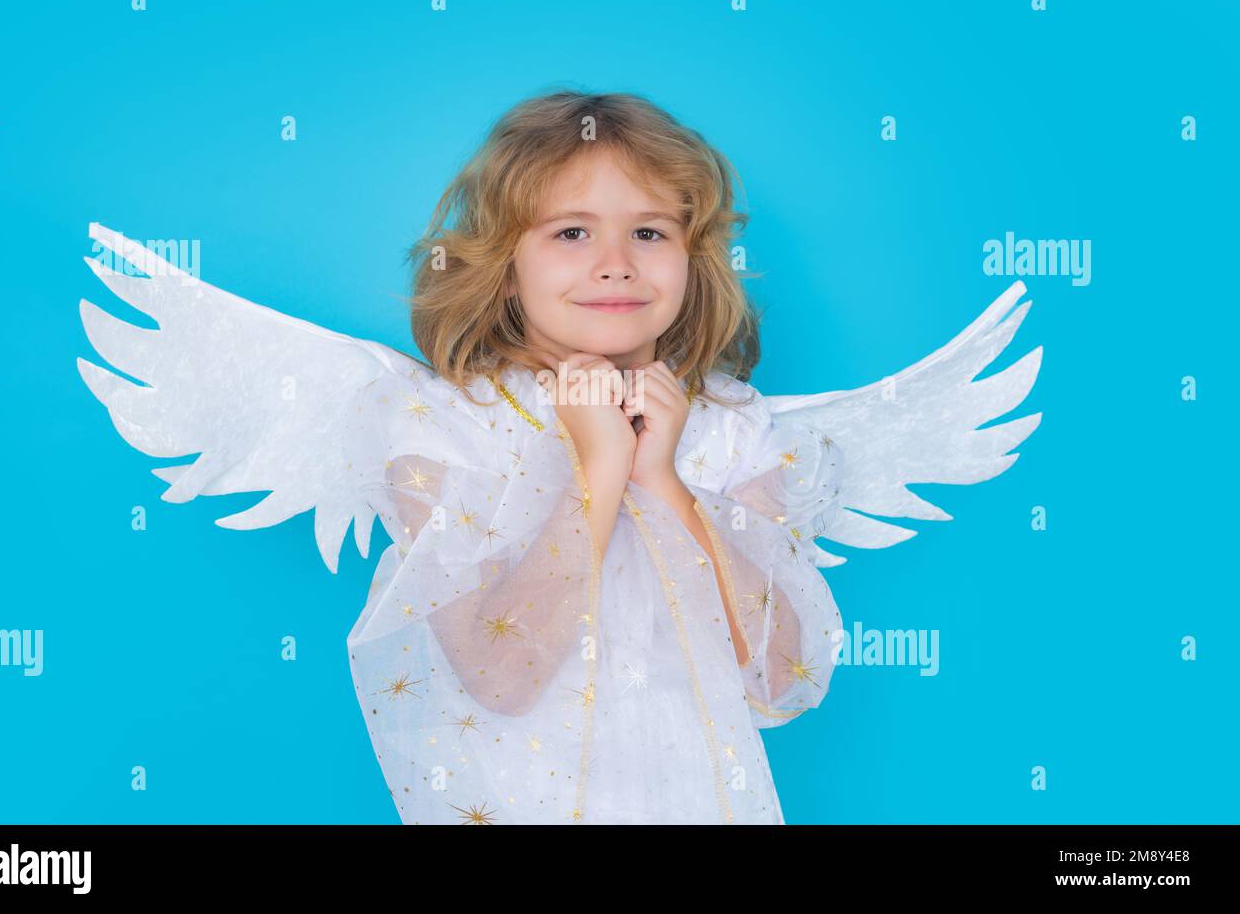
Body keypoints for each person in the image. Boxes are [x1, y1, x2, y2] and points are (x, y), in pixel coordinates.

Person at [76, 90, 1042, 824]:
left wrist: (665, 479)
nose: (616, 262)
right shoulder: (435, 422)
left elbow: (781, 679)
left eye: (650, 232)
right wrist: (598, 469)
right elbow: (496, 674)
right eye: (572, 232)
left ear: (691, 261)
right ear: (505, 262)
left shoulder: (738, 433)